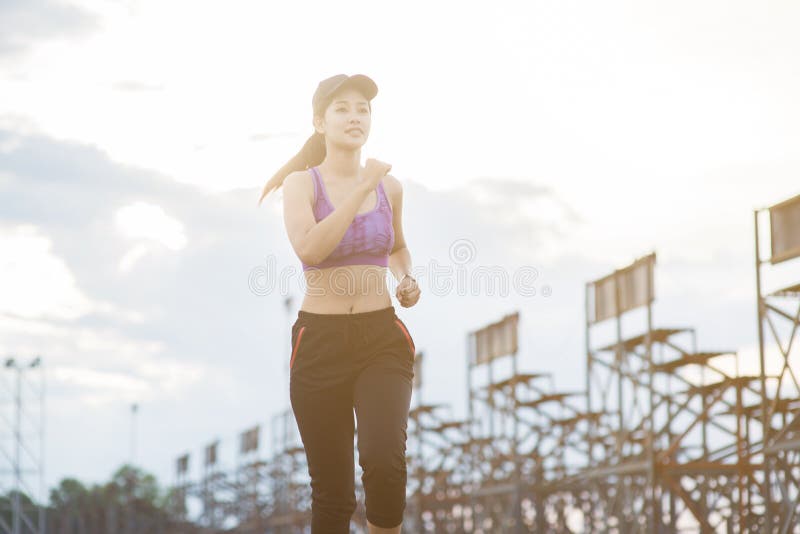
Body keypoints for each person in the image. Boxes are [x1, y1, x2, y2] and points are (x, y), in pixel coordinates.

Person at [258, 73, 421, 533]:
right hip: (320, 343)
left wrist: (407, 278)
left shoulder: (391, 189)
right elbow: (311, 249)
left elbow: (396, 246)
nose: (355, 117)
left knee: (384, 460)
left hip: (381, 339)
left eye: (363, 109)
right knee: (333, 495)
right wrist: (362, 183)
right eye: (343, 109)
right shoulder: (301, 185)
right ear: (319, 123)